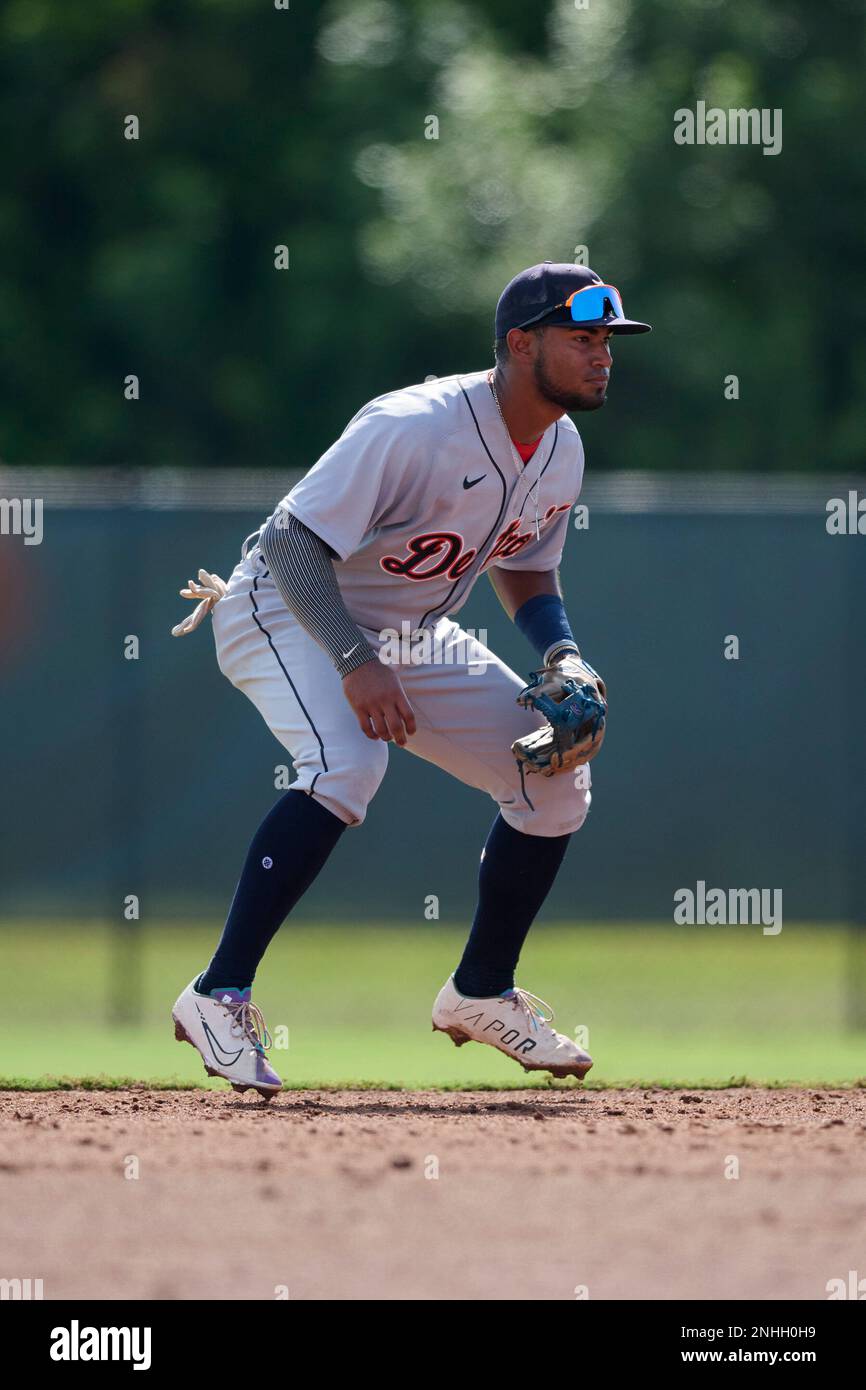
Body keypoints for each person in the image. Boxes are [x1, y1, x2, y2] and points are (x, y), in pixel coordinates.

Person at [170, 261, 651, 1096]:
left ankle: (480, 991)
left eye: (608, 339)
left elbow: (529, 572)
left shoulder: (561, 448)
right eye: (583, 337)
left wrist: (563, 655)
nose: (603, 354)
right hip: (282, 608)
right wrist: (356, 664)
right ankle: (217, 993)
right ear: (519, 343)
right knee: (347, 767)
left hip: (410, 634)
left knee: (555, 780)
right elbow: (290, 546)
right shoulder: (415, 425)